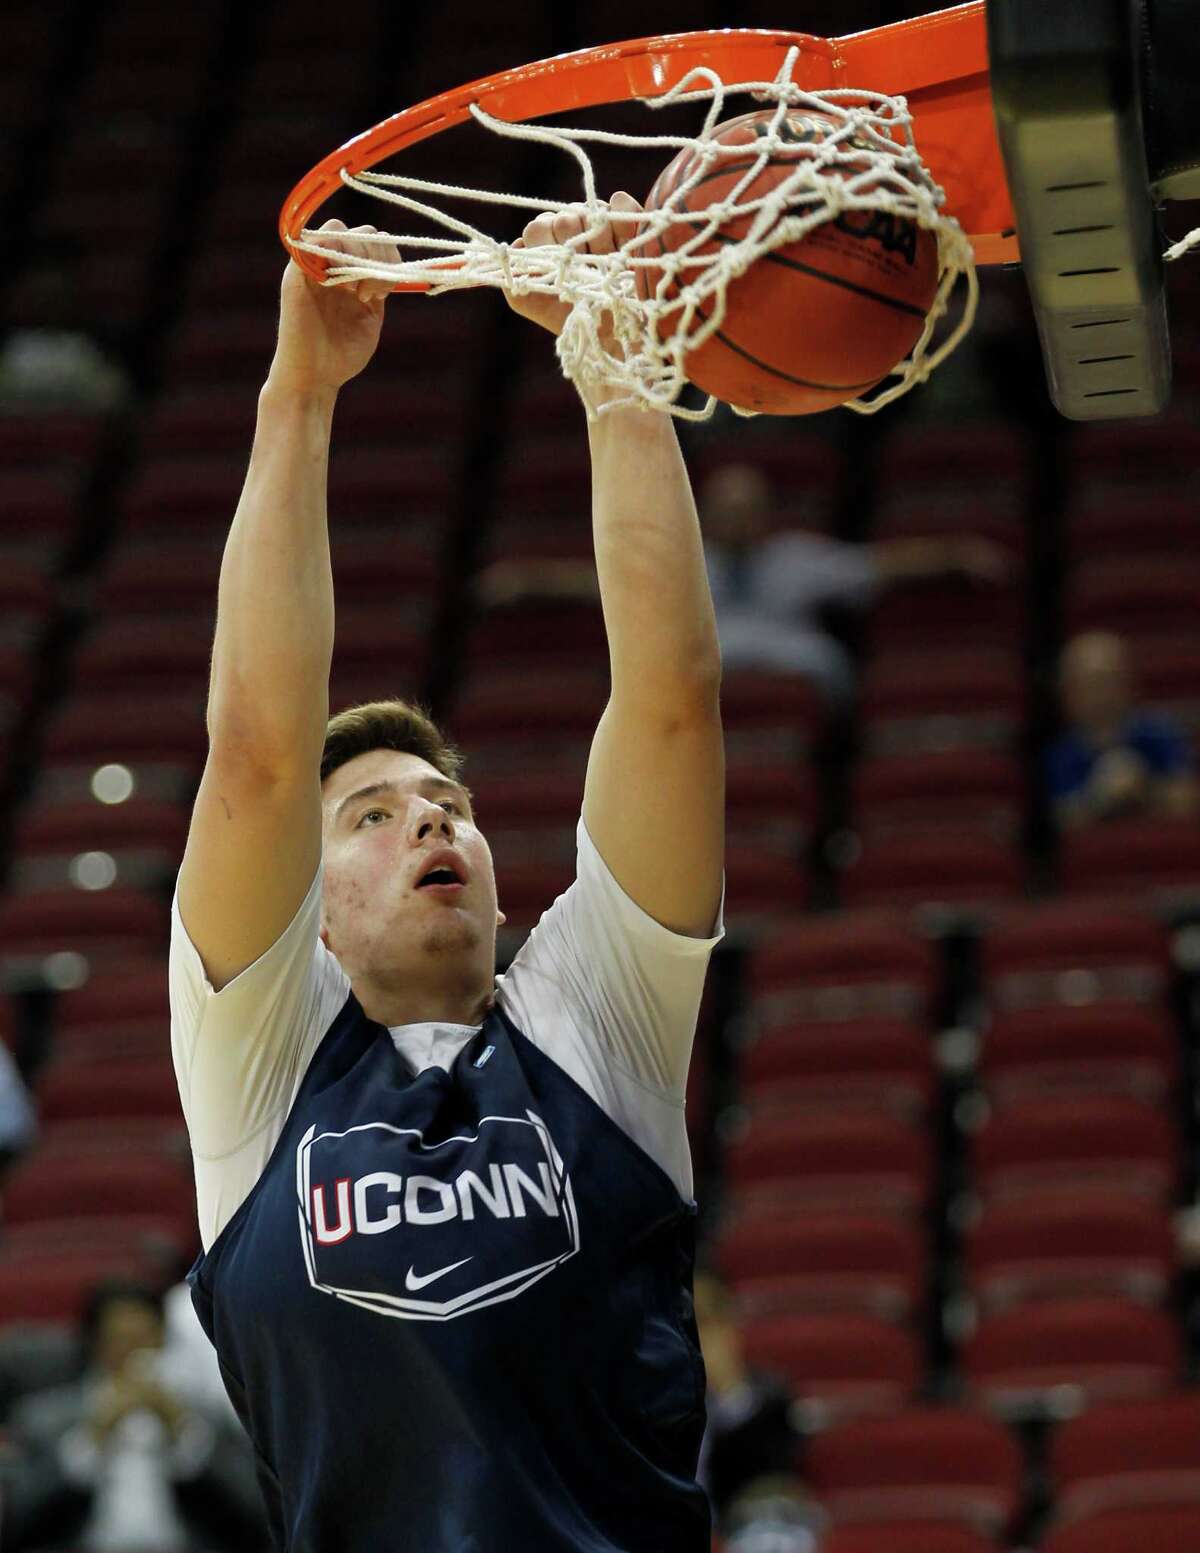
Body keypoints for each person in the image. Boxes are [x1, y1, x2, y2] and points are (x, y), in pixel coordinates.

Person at [169, 200, 726, 1553]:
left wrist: (618, 370)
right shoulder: (260, 1064)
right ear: (314, 901)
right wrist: (299, 394)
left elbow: (669, 699)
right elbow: (251, 753)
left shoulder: (599, 1027)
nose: (432, 824)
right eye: (371, 814)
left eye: (452, 805)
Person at [473, 461, 1008, 706]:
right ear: (706, 513)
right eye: (727, 510)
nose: (738, 519)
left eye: (748, 509)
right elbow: (596, 583)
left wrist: (956, 554)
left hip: (785, 650)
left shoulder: (798, 557)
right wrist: (527, 580)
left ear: (767, 513)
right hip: (705, 659)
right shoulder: (683, 560)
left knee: (832, 664)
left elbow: (881, 565)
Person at [2, 1277, 268, 1553]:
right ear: (94, 1343)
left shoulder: (205, 1418)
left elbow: (256, 1515)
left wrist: (183, 1431)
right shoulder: (44, 1419)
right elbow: (18, 1519)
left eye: (145, 1337)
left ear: (163, 1339)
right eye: (120, 1339)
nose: (133, 1350)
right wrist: (90, 1440)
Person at [1048, 631, 1199, 829]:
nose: (1099, 694)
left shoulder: (1159, 733)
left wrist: (1143, 786)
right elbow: (1060, 825)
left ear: (1129, 682)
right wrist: (1099, 796)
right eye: (1086, 684)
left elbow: (1188, 801)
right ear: (1067, 695)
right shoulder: (1061, 755)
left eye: (1106, 680)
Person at [693, 1268, 801, 1525]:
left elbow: (765, 1484)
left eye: (703, 1323)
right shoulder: (639, 1405)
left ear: (729, 1329)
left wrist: (728, 1389)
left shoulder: (771, 1405)